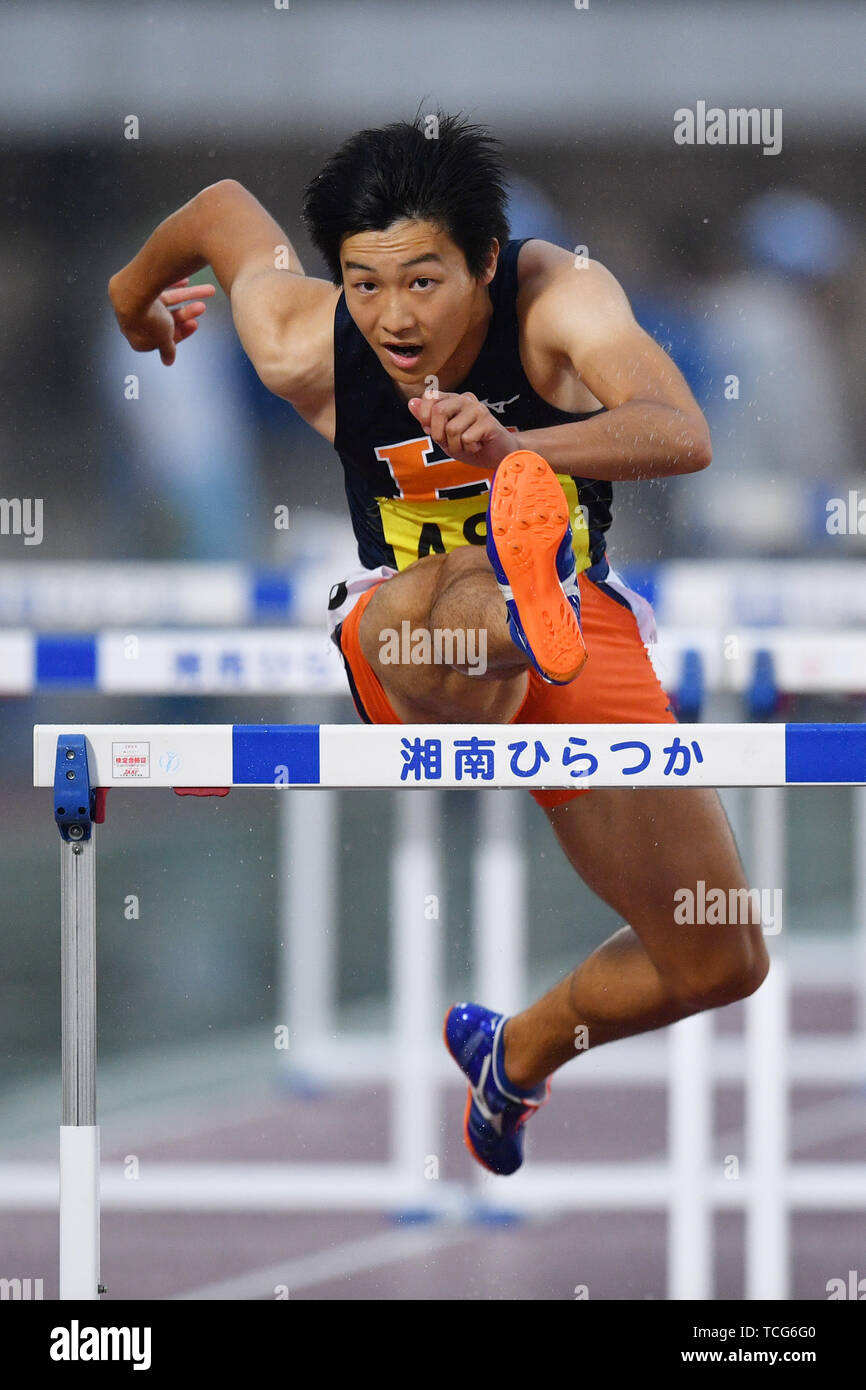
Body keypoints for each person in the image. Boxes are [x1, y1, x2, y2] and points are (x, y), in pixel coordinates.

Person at [108, 112, 769, 1177]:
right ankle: (514, 602)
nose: (392, 318)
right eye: (364, 284)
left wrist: (521, 444)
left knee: (717, 956)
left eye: (423, 282)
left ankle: (513, 1052)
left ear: (488, 261)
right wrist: (131, 300)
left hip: (576, 622)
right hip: (406, 633)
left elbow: (678, 429)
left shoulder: (559, 298)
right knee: (456, 585)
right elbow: (221, 210)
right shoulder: (301, 337)